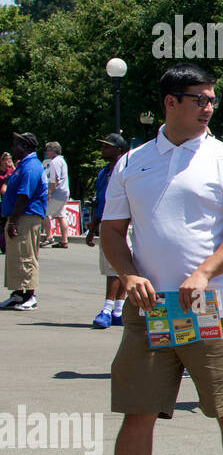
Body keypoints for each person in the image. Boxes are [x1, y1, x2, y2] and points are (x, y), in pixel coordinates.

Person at [91, 63, 223, 455]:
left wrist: (205, 271)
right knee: (138, 411)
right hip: (150, 308)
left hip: (208, 305)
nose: (209, 107)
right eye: (199, 99)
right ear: (171, 103)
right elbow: (111, 230)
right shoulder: (132, 163)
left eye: (212, 99)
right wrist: (128, 274)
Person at [85, 133, 131, 327]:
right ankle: (117, 309)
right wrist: (93, 227)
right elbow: (100, 200)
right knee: (110, 266)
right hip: (106, 221)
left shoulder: (128, 170)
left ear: (118, 150)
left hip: (125, 222)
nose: (103, 149)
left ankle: (110, 308)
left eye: (107, 146)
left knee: (119, 266)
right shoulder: (104, 173)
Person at [1, 132, 47, 310]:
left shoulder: (31, 167)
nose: (13, 149)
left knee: (27, 256)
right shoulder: (23, 165)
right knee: (16, 257)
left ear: (26, 147)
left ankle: (30, 295)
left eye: (16, 145)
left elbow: (24, 195)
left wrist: (13, 221)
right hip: (18, 217)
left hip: (26, 217)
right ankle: (18, 294)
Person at [42, 140, 70, 248]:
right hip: (64, 192)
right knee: (61, 215)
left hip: (57, 192)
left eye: (48, 150)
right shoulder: (62, 160)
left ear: (53, 151)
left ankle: (49, 236)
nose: (46, 152)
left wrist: (49, 193)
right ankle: (64, 240)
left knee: (43, 213)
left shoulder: (54, 162)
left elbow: (54, 180)